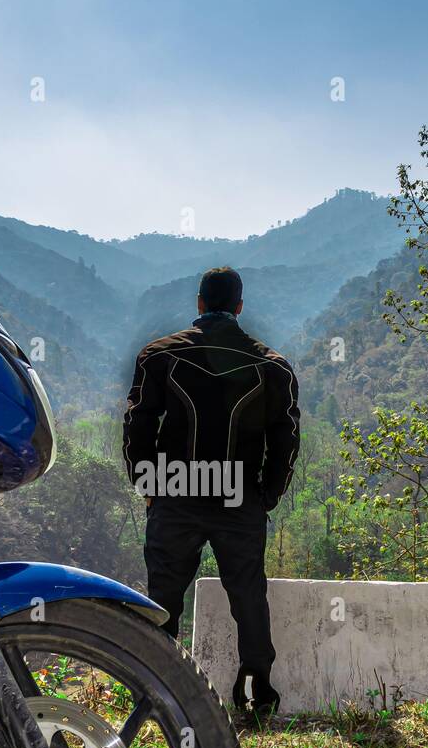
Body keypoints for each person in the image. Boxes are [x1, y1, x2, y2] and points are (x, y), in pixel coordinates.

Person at [122, 266, 300, 720]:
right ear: (240, 307)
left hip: (177, 490)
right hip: (239, 496)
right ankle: (256, 695)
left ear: (199, 303)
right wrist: (268, 494)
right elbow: (285, 438)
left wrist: (149, 485)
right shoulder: (271, 367)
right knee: (247, 598)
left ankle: (157, 697)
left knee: (162, 600)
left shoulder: (160, 356)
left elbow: (139, 423)